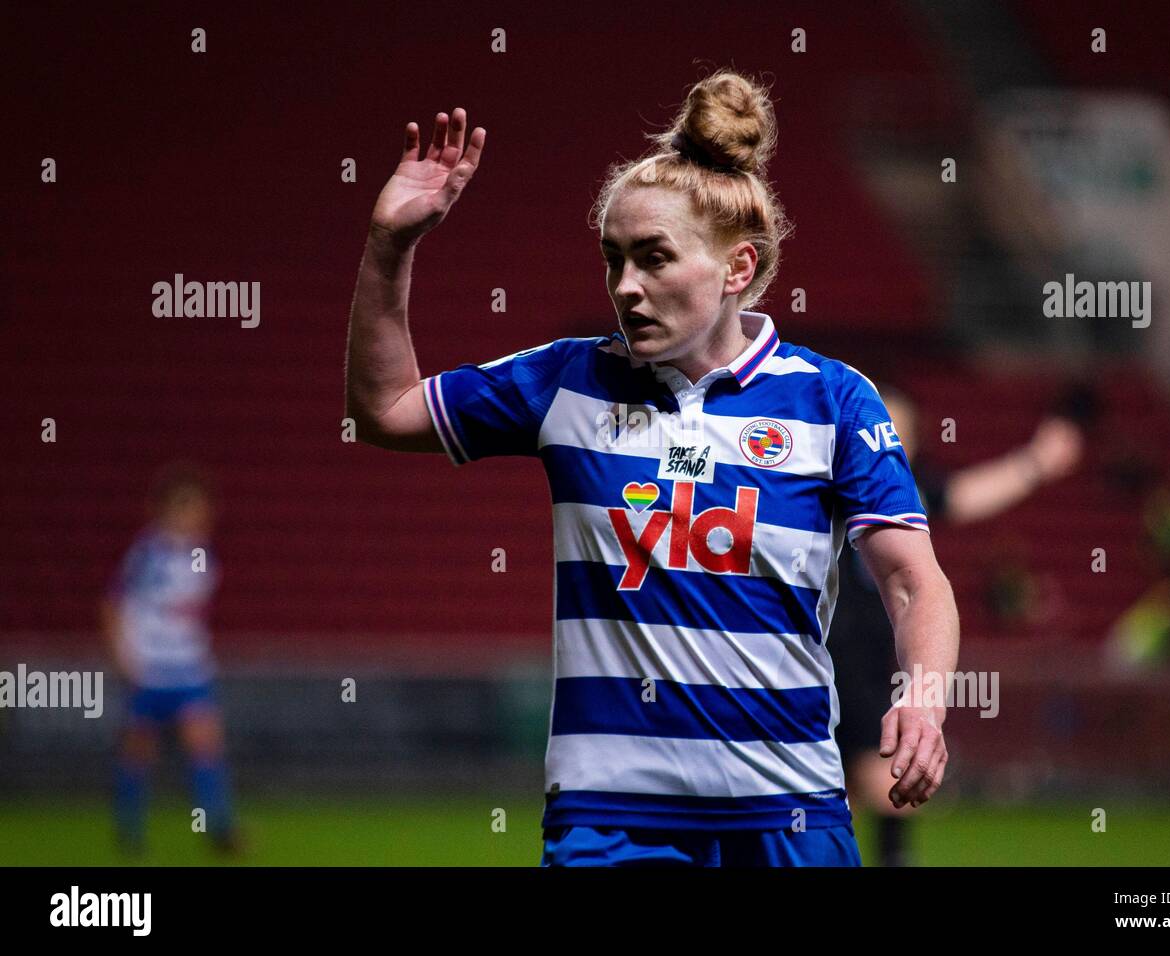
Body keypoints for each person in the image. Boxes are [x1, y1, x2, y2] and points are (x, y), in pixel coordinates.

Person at [345, 70, 959, 867]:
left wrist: (923, 701)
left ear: (737, 270)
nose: (626, 286)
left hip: (791, 813)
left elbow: (914, 581)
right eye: (614, 259)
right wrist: (390, 247)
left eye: (655, 259)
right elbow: (385, 409)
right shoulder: (565, 380)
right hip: (608, 816)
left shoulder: (833, 401)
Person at [830, 385, 1083, 865]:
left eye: (903, 432)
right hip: (811, 657)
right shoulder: (818, 479)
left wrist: (1034, 463)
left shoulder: (904, 493)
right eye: (886, 427)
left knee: (884, 780)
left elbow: (963, 495)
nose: (892, 440)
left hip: (866, 664)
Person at [103, 464, 241, 855]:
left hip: (189, 668)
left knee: (206, 745)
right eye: (186, 507)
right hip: (149, 669)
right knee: (138, 749)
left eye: (199, 507)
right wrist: (123, 655)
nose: (195, 515)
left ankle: (219, 829)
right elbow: (113, 605)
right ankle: (129, 832)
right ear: (163, 510)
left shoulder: (202, 554)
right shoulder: (148, 553)